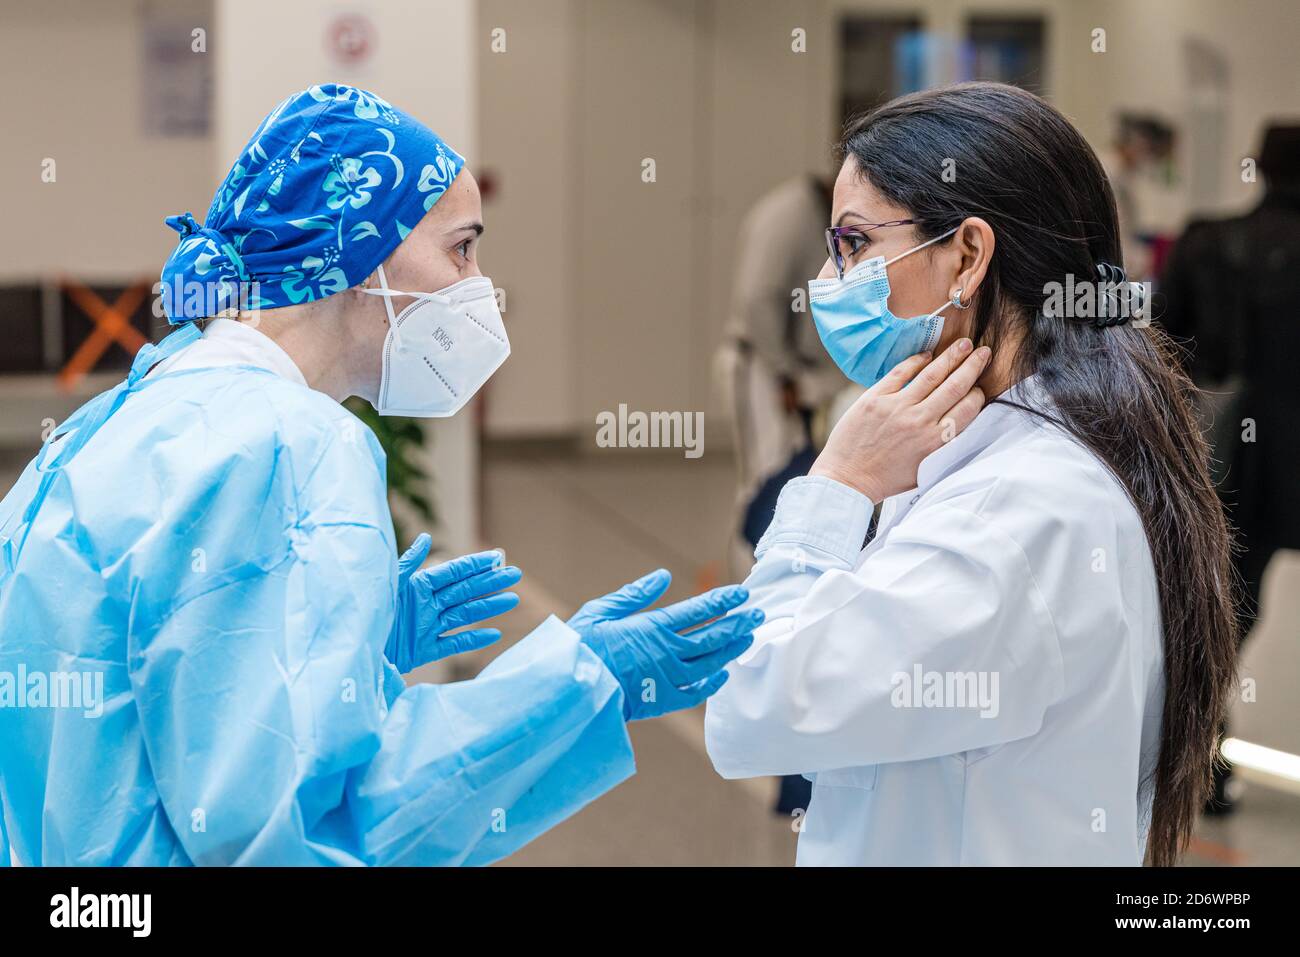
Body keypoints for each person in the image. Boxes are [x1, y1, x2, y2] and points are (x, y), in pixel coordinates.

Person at [0, 84, 761, 866]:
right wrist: (577, 687)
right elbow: (297, 832)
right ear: (362, 254)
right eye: (462, 248)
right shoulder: (291, 443)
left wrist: (344, 654)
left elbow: (130, 707)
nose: (479, 285)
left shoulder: (121, 415)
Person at [705, 83, 1239, 866]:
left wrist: (835, 488)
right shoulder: (1056, 457)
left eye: (854, 244)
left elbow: (750, 701)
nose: (827, 277)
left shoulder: (1011, 515)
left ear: (967, 256)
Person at [1159, 123, 1300, 812]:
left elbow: (1162, 341)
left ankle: (1201, 752)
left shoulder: (1209, 242)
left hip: (1230, 457)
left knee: (1226, 607)